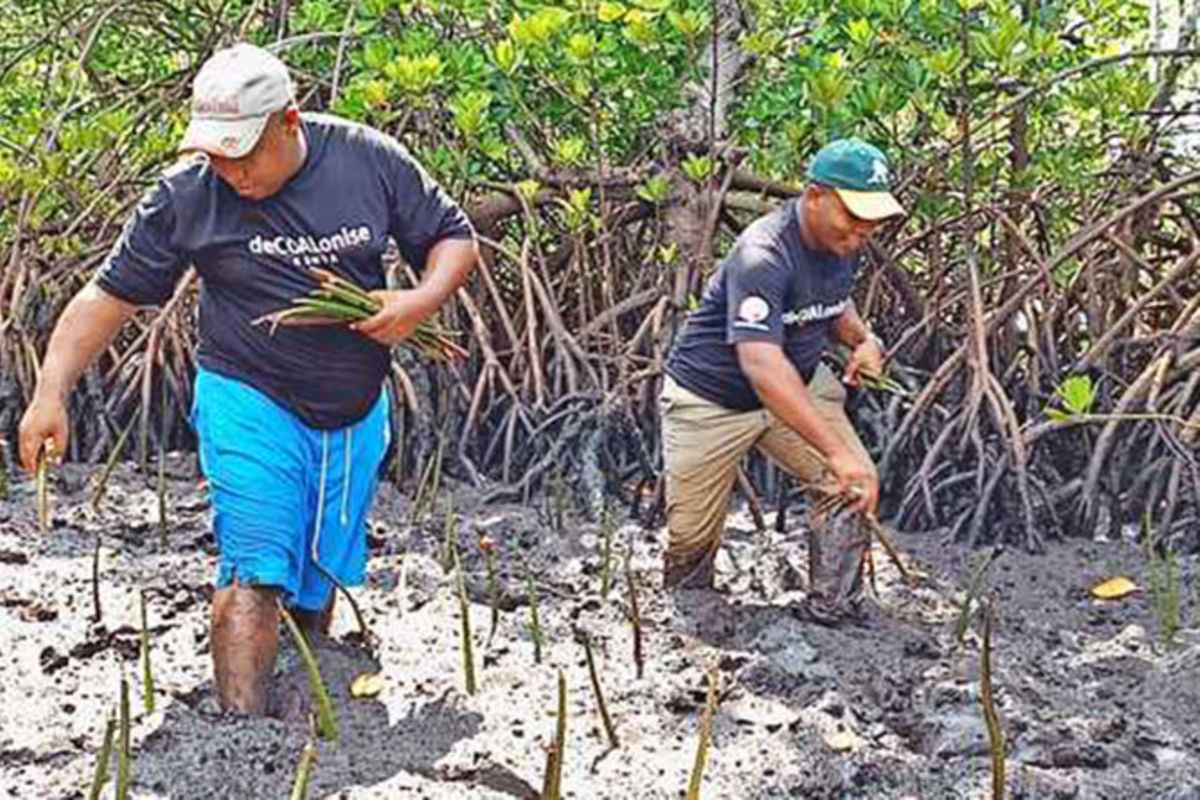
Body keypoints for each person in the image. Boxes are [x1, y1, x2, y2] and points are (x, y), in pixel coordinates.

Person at [16, 43, 478, 714]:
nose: (229, 170)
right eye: (216, 153)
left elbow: (452, 236)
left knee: (316, 581)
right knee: (257, 565)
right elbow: (106, 297)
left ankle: (303, 699)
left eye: (243, 152)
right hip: (247, 395)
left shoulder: (367, 159)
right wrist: (50, 390)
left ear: (289, 122)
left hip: (351, 411)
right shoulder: (187, 194)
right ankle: (242, 732)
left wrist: (418, 301)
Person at [659, 137, 905, 609]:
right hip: (710, 401)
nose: (862, 232)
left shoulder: (843, 241)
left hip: (801, 384)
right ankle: (696, 619)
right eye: (853, 216)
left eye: (871, 220)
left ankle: (833, 610)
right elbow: (761, 365)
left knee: (849, 487)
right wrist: (837, 452)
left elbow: (834, 302)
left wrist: (864, 342)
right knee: (690, 544)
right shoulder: (762, 254)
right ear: (814, 196)